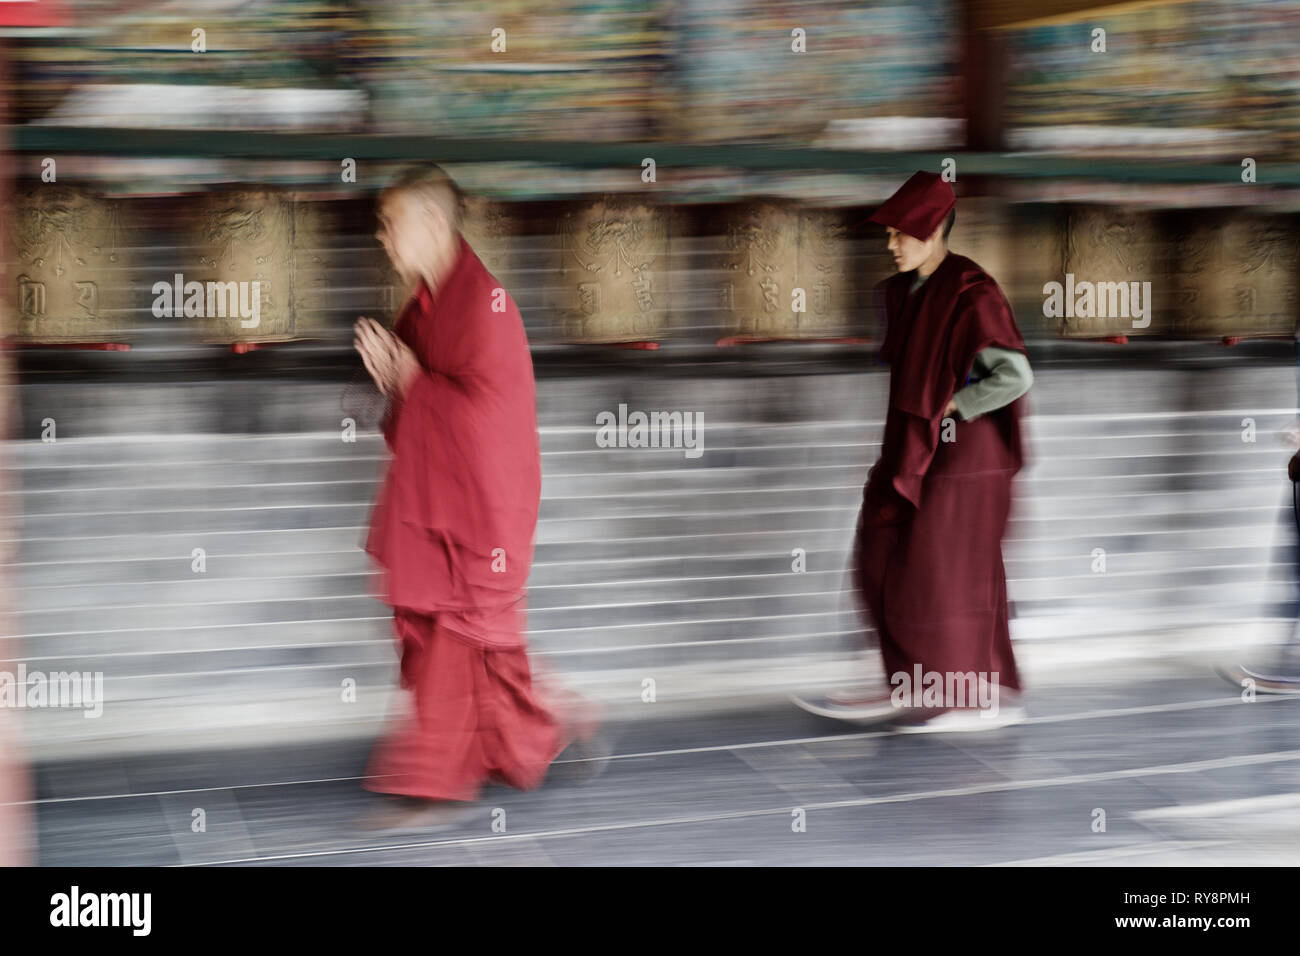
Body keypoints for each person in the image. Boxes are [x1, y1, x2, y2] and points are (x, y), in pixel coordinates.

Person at [353, 165, 601, 830]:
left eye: (390, 222)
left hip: (483, 512)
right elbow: (420, 419)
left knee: (460, 643)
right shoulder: (425, 306)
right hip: (441, 505)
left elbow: (490, 425)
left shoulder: (485, 304)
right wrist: (400, 382)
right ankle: (553, 725)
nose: (382, 237)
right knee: (475, 650)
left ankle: (432, 781)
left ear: (434, 223)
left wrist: (413, 381)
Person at [795, 171, 1033, 732]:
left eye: (902, 233)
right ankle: (909, 682)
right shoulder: (904, 292)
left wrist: (957, 408)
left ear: (933, 231)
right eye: (890, 234)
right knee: (880, 558)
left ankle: (968, 697)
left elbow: (1016, 374)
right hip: (913, 448)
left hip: (967, 458)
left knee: (940, 575)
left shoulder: (974, 291)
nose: (891, 244)